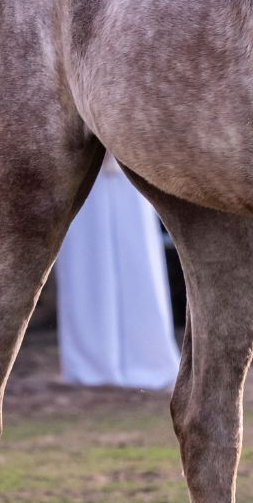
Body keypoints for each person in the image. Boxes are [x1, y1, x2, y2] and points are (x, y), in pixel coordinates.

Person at [54, 154, 180, 389]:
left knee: (136, 256)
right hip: (81, 168)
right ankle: (91, 359)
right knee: (88, 259)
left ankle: (146, 355)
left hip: (129, 166)